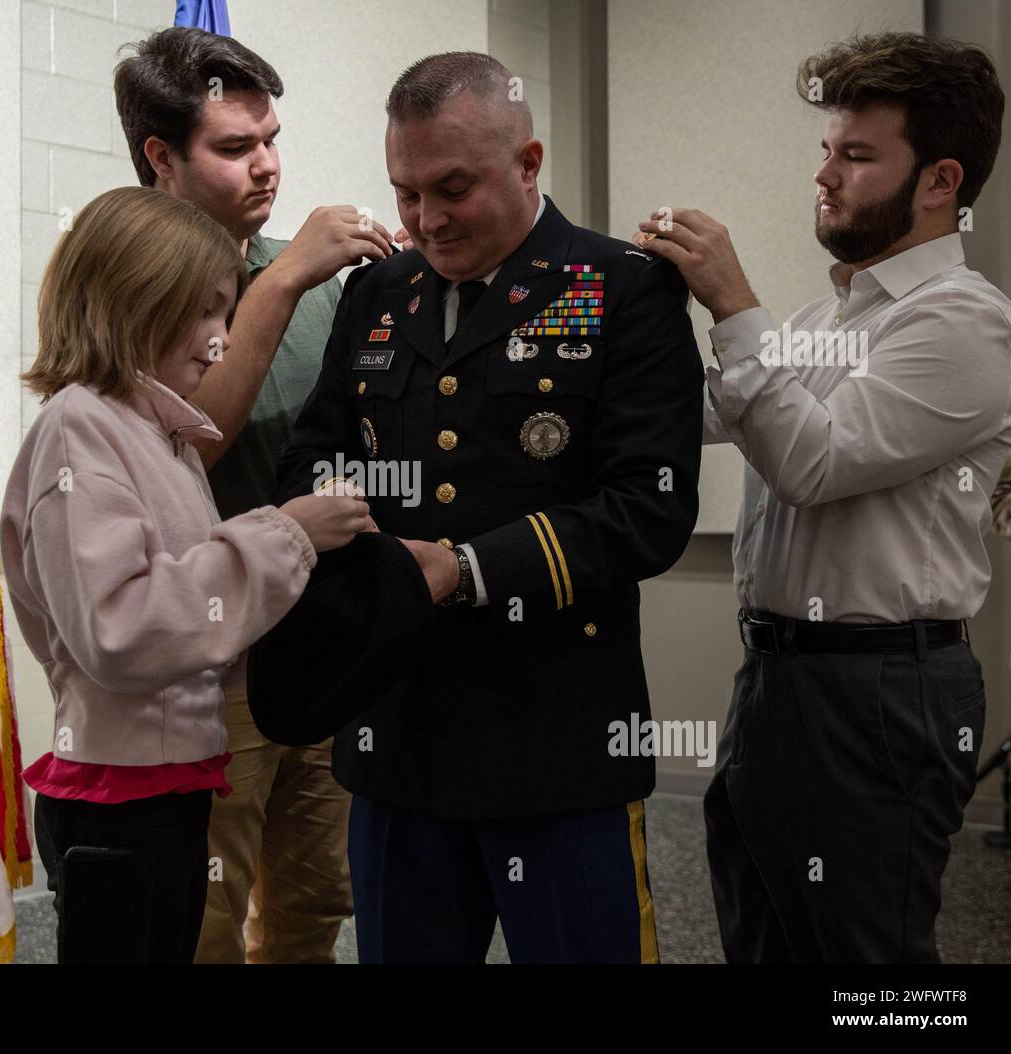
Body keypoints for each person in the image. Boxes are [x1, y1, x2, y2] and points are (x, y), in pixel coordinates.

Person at [277, 52, 705, 964]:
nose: (427, 219)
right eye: (404, 193)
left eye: (453, 187)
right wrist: (344, 511)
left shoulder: (621, 287)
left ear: (528, 161)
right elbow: (314, 452)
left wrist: (465, 571)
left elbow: (648, 509)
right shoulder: (378, 291)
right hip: (398, 736)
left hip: (554, 739)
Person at [636, 31, 1011, 962]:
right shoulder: (823, 321)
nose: (826, 176)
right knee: (762, 936)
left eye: (856, 155)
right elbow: (704, 416)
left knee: (867, 965)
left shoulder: (968, 324)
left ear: (938, 182)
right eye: (825, 152)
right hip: (779, 677)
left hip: (883, 691)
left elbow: (812, 462)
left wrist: (731, 303)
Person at [0, 187, 369, 963]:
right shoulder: (81, 431)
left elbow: (180, 588)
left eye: (223, 316)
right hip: (120, 802)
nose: (219, 343)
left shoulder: (151, 434)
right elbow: (123, 630)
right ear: (132, 304)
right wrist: (285, 534)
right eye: (202, 315)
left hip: (167, 782)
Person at [114, 27, 395, 965]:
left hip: (321, 640)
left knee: (317, 903)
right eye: (235, 148)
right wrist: (278, 283)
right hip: (206, 661)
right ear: (162, 156)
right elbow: (187, 446)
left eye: (271, 137)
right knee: (203, 918)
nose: (268, 165)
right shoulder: (123, 275)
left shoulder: (303, 272)